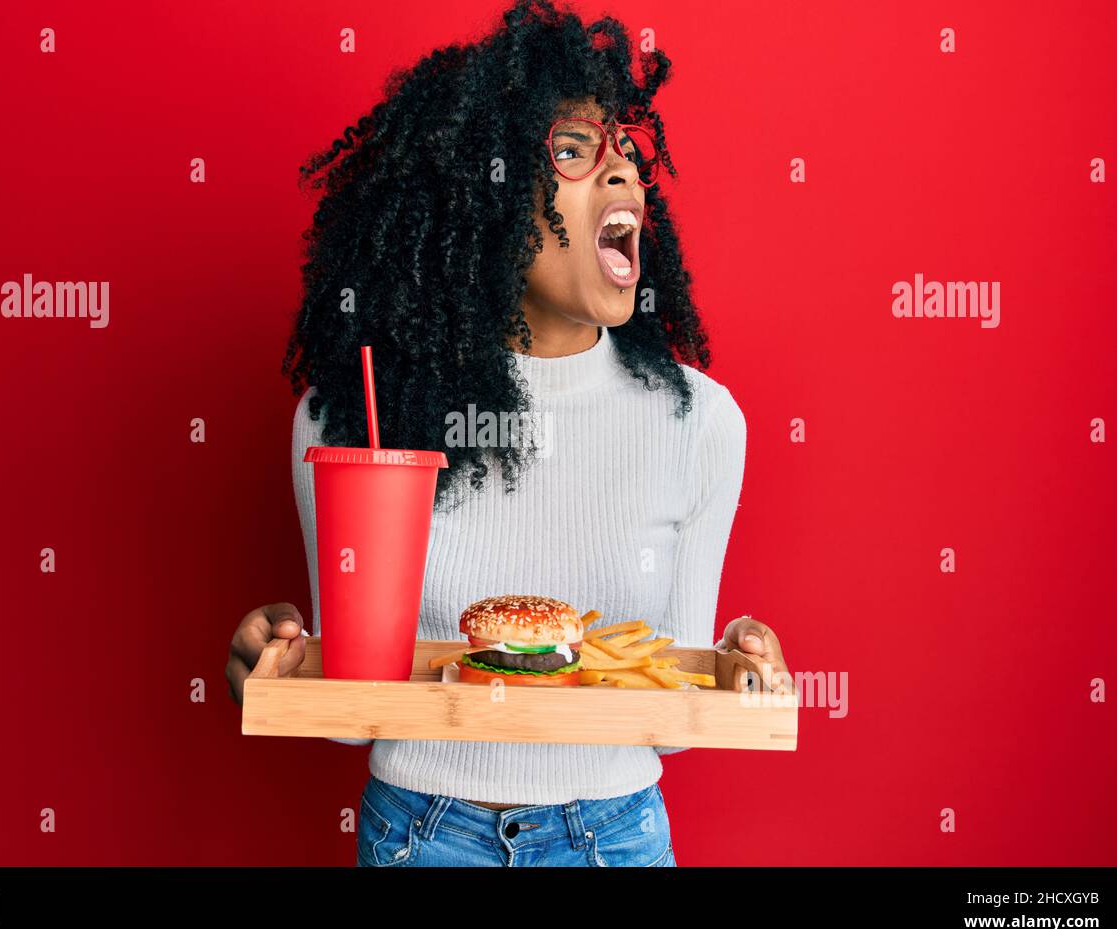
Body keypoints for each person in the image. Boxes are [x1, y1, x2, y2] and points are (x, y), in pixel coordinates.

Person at [225, 0, 789, 866]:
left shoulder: (701, 424)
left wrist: (741, 668)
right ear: (476, 197)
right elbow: (352, 721)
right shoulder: (346, 421)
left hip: (614, 838)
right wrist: (283, 661)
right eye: (571, 151)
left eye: (628, 158)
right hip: (422, 835)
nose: (621, 179)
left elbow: (670, 730)